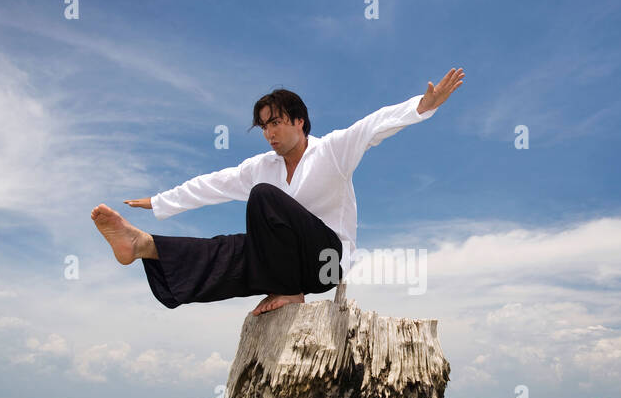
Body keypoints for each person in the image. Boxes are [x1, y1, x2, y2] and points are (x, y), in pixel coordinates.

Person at [91, 67, 465, 316]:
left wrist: (422, 105)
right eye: (264, 126)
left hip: (326, 263)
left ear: (299, 122)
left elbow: (372, 126)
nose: (269, 133)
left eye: (276, 123)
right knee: (230, 247)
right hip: (288, 263)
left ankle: (290, 291)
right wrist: (160, 201)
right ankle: (142, 246)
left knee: (264, 198)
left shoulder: (332, 150)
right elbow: (213, 184)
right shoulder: (262, 167)